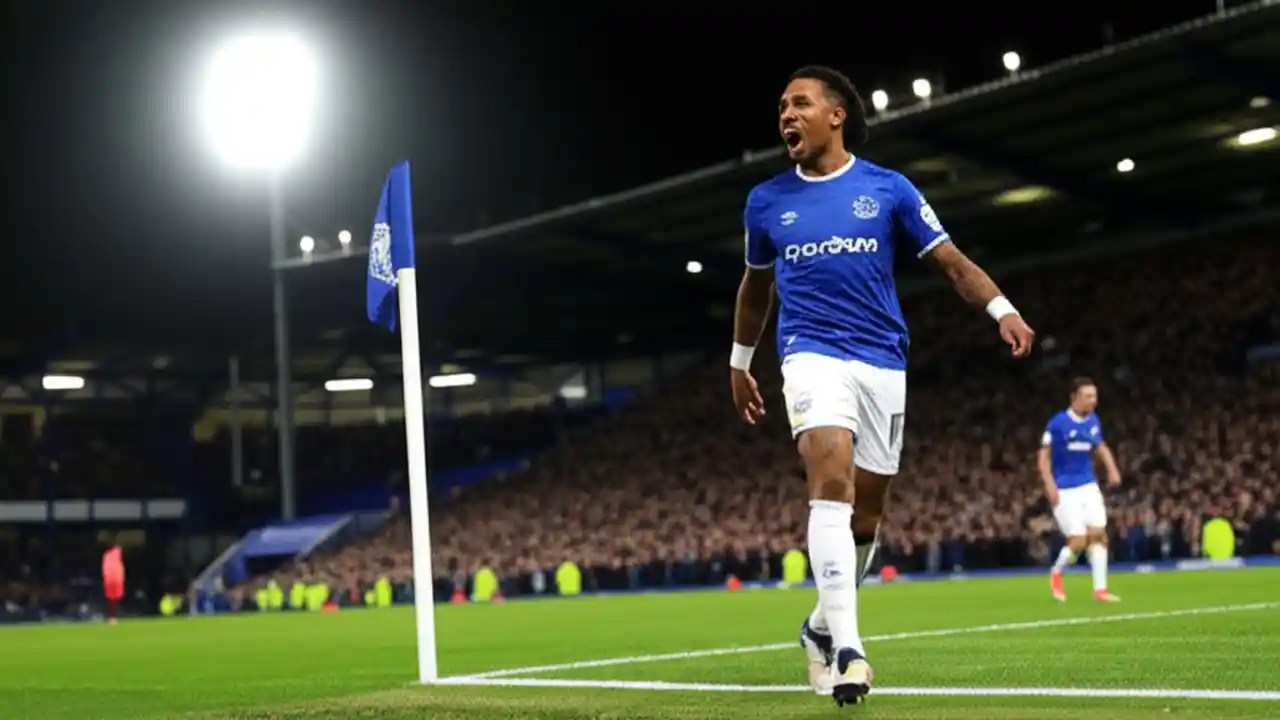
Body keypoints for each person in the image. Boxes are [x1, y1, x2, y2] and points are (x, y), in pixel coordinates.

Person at [729, 65, 1036, 706]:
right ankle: (850, 650)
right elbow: (756, 287)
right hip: (809, 355)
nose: (786, 115)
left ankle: (817, 628)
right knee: (830, 483)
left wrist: (1001, 308)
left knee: (867, 515)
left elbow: (950, 262)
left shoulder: (887, 189)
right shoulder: (766, 202)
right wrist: (739, 361)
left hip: (882, 361)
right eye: (781, 106)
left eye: (800, 104)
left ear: (836, 114)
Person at [1040, 377, 1122, 603]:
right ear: (1074, 398)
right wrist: (1049, 483)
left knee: (1099, 535)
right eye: (1088, 396)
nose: (1093, 401)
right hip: (1066, 488)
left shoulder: (1093, 421)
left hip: (1088, 484)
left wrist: (1112, 469)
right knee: (1078, 541)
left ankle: (1100, 590)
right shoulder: (1058, 423)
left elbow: (1100, 446)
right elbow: (1043, 455)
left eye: (1094, 396)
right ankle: (1056, 573)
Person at [102, 544, 125, 625]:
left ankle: (114, 616)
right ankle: (111, 616)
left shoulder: (118, 550)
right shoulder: (107, 555)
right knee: (111, 599)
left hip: (116, 575)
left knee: (116, 597)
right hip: (110, 576)